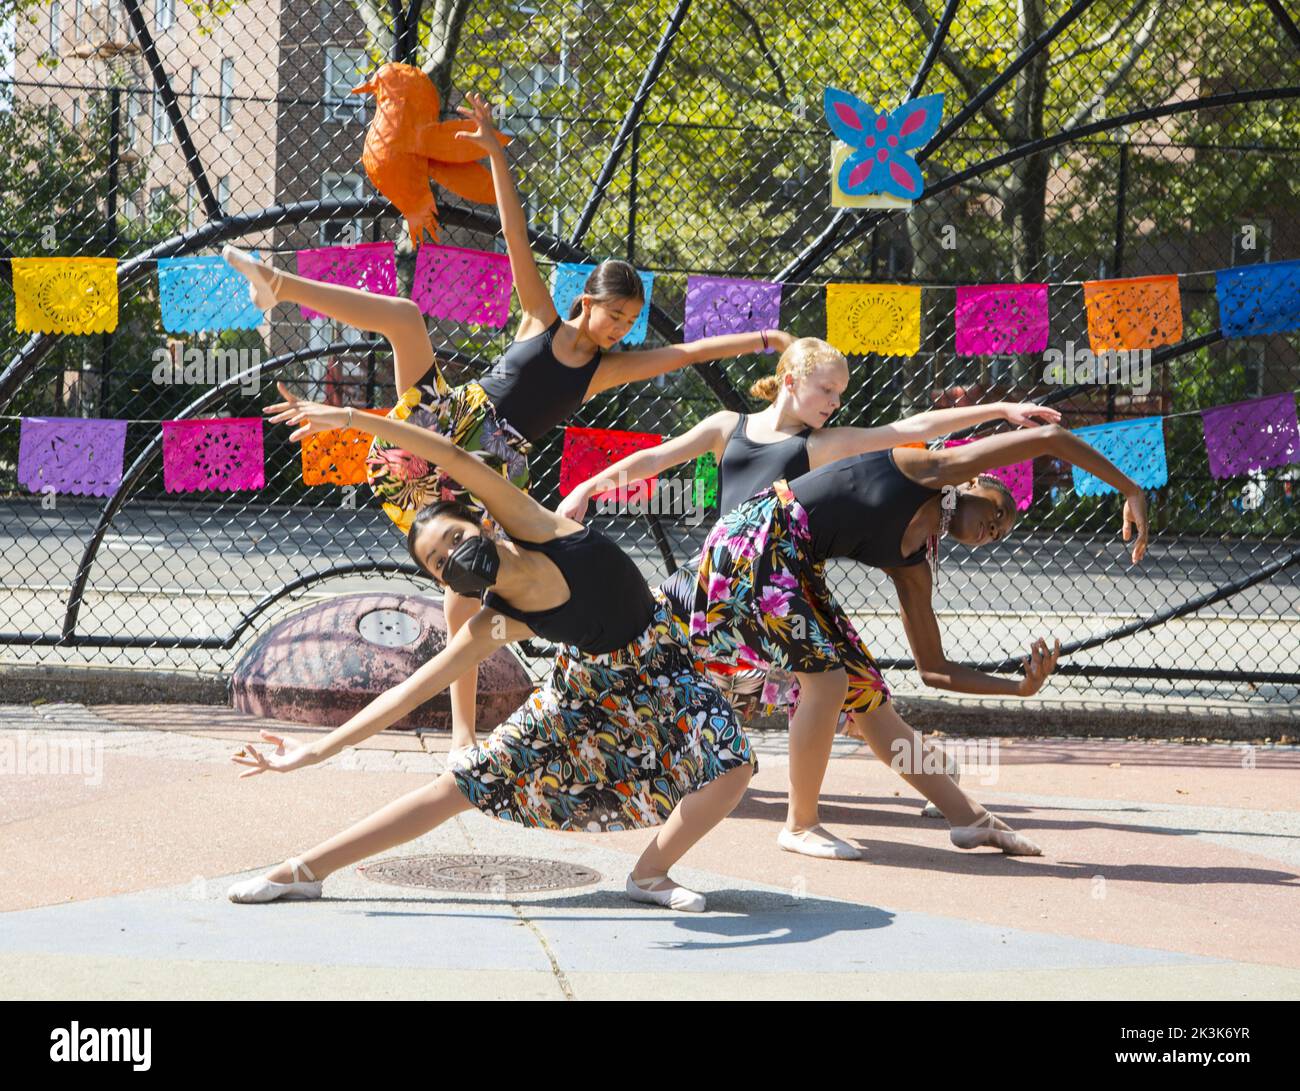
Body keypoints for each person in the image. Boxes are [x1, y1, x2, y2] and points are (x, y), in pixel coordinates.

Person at [223, 92, 792, 758]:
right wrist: (495, 155)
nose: (617, 329)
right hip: (454, 418)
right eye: (612, 316)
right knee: (405, 317)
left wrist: (760, 338)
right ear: (588, 301)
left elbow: (690, 352)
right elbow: (515, 233)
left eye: (627, 323)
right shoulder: (539, 318)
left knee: (466, 594)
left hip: (492, 465)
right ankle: (276, 281)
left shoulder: (598, 372)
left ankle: (465, 732)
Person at [226, 382, 755, 913]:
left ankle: (649, 874)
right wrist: (314, 751)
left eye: (454, 539)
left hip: (666, 660)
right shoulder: (496, 622)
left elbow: (449, 454)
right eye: (438, 563)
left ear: (480, 523)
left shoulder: (534, 527)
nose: (452, 556)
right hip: (588, 684)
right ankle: (302, 870)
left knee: (732, 762)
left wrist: (347, 417)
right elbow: (410, 692)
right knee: (459, 785)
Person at [560, 335, 1059, 834]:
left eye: (841, 393)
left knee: (853, 698)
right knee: (642, 662)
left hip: (778, 594)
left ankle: (908, 788)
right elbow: (653, 461)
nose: (836, 402)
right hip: (715, 581)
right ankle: (575, 750)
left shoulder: (823, 444)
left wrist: (999, 408)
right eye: (827, 390)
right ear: (790, 381)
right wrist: (586, 488)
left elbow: (914, 427)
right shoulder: (727, 427)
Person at [658, 423, 1149, 860]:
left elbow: (934, 669)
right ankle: (800, 824)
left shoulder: (913, 560)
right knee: (827, 683)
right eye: (995, 512)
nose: (992, 529)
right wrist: (1129, 489)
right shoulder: (926, 467)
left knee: (868, 696)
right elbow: (1047, 438)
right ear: (973, 483)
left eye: (999, 534)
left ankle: (969, 818)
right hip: (757, 539)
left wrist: (1018, 689)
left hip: (796, 567)